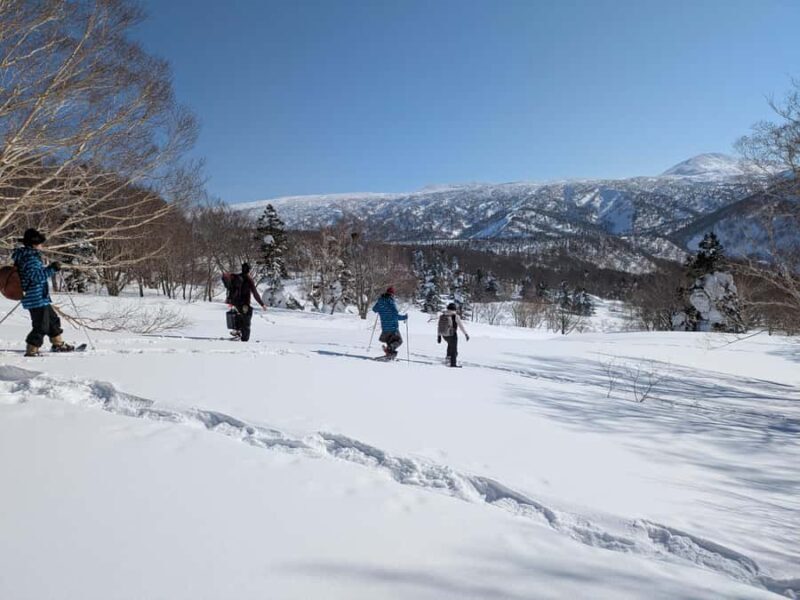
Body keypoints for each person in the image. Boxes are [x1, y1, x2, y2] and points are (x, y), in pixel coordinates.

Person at [11, 228, 75, 357]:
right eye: (40, 243)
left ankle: (58, 344)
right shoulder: (30, 258)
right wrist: (51, 269)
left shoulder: (27, 256)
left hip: (39, 296)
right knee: (41, 326)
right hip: (35, 297)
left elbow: (33, 274)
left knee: (52, 319)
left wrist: (49, 269)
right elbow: (36, 277)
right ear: (34, 244)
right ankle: (32, 349)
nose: (42, 245)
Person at [222, 263, 266, 342]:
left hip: (235, 302)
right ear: (249, 270)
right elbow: (255, 293)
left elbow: (226, 278)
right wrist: (262, 304)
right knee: (246, 320)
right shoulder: (249, 280)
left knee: (238, 317)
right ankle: (244, 341)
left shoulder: (235, 277)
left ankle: (237, 332)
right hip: (244, 303)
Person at [372, 286, 408, 359]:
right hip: (393, 327)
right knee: (399, 341)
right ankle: (389, 350)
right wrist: (404, 317)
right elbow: (396, 316)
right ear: (392, 294)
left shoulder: (380, 301)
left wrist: (380, 309)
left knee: (390, 342)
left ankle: (389, 353)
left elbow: (374, 309)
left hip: (385, 327)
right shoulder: (391, 303)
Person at [437, 302, 469, 367]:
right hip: (452, 334)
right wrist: (466, 334)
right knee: (454, 350)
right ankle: (453, 364)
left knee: (450, 345)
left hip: (444, 335)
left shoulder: (443, 315)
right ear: (454, 309)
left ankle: (448, 358)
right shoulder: (455, 316)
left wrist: (439, 336)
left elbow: (439, 326)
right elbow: (461, 326)